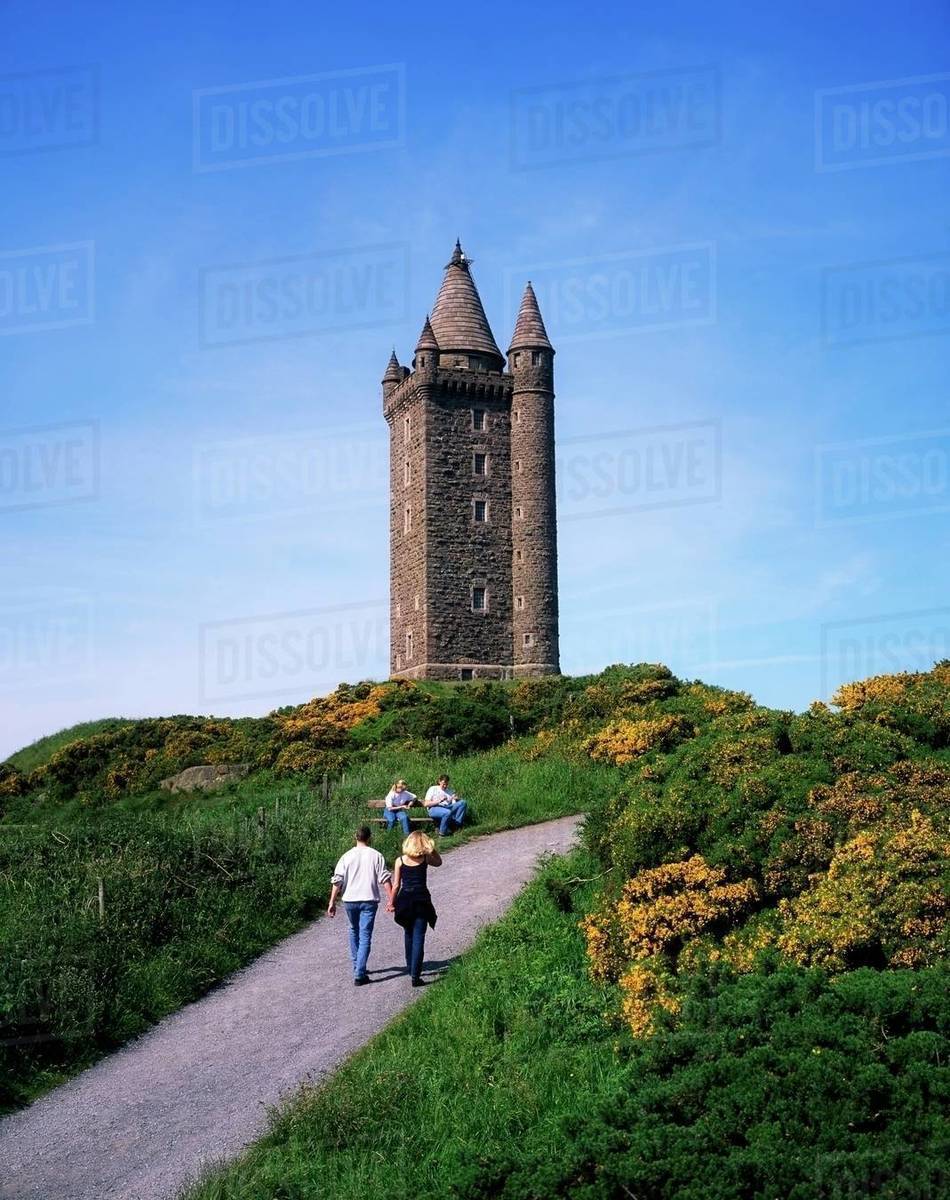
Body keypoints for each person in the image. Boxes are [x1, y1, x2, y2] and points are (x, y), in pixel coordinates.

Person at [327, 826, 394, 986]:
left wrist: (332, 902)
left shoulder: (346, 856)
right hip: (369, 899)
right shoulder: (376, 855)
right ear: (369, 837)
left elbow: (337, 880)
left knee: (353, 930)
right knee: (365, 935)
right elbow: (384, 879)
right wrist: (391, 899)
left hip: (350, 900)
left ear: (355, 837)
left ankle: (358, 965)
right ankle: (359, 972)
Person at [388, 830, 442, 986]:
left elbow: (396, 885)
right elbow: (439, 862)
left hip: (405, 900)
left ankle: (410, 967)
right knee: (419, 937)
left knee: (408, 933)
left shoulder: (400, 860)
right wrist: (431, 849)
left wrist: (391, 902)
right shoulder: (425, 858)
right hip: (421, 900)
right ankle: (415, 976)